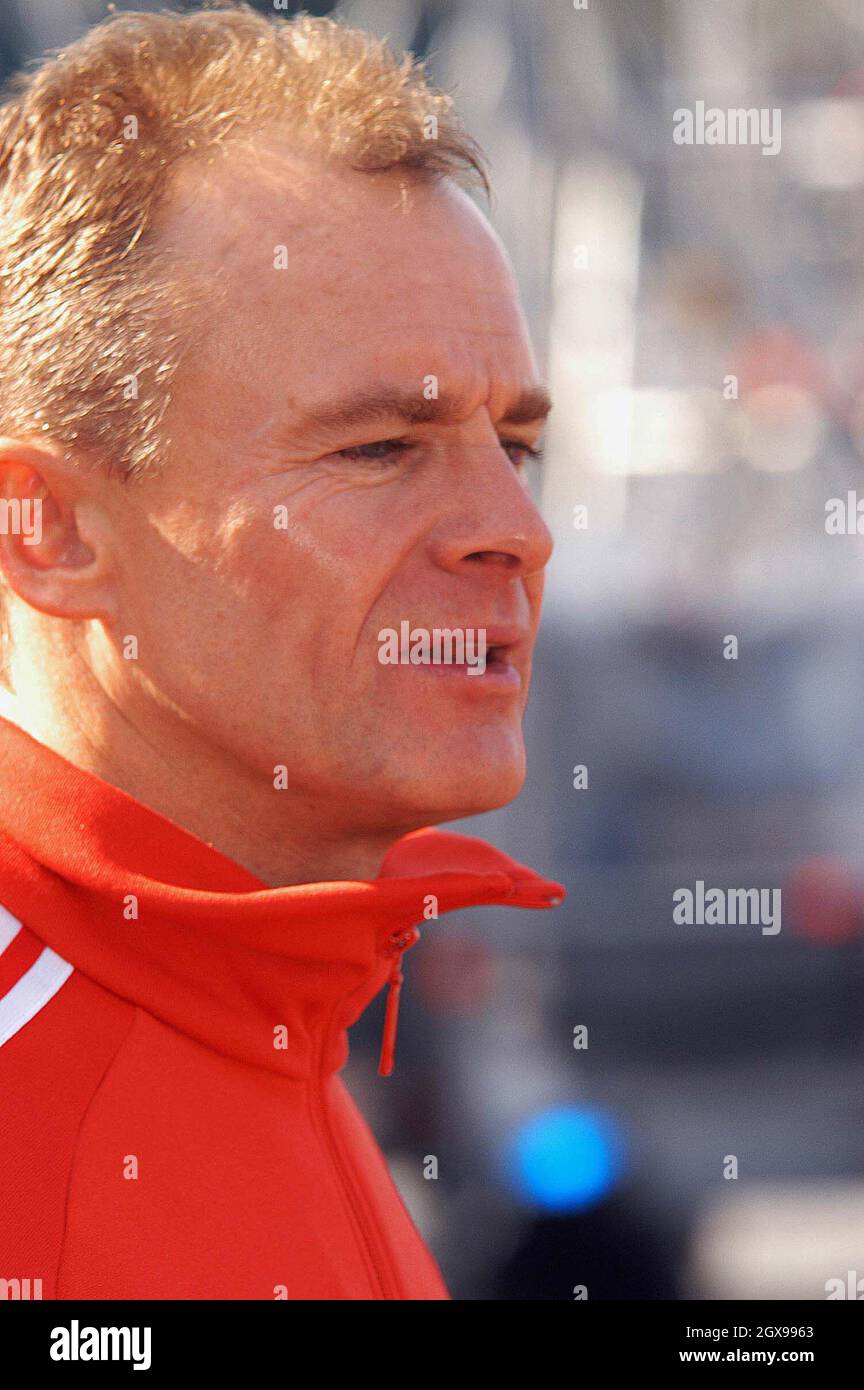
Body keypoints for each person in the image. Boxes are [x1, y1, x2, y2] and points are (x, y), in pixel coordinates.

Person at [0, 4, 562, 1300]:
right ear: (49, 530)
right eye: (380, 448)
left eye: (516, 445)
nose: (517, 534)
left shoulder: (268, 996)